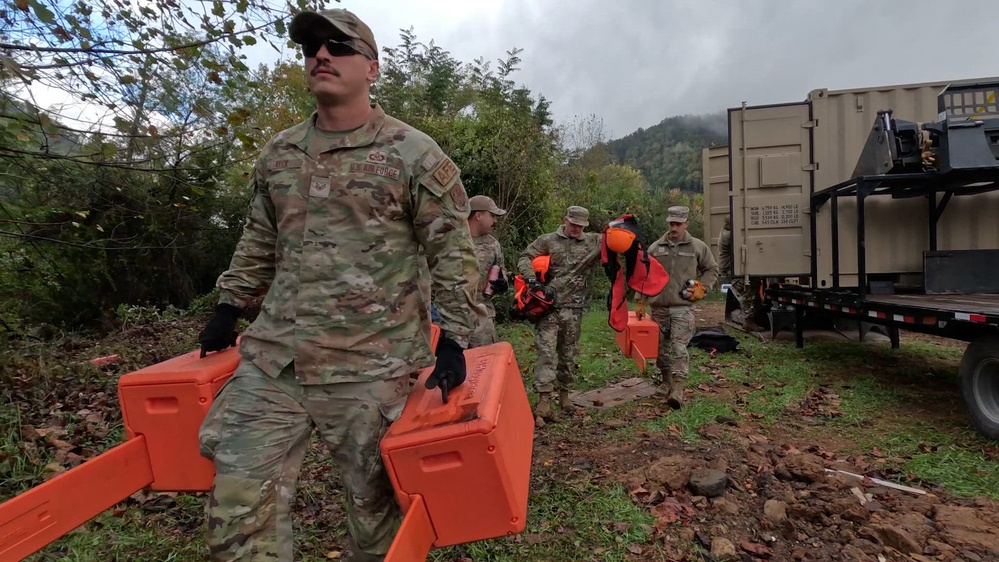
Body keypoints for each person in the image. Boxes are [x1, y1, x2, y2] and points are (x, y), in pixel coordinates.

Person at [194, 9, 484, 561]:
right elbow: (260, 237)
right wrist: (231, 305)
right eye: (311, 48)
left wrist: (454, 338)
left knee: (378, 519)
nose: (321, 55)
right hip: (275, 361)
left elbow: (452, 250)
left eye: (338, 46)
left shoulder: (413, 154)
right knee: (236, 507)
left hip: (371, 369)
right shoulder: (280, 153)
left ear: (372, 68)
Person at [517, 205, 602, 421]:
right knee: (546, 353)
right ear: (565, 219)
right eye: (573, 224)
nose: (576, 229)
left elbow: (619, 240)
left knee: (568, 354)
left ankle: (565, 396)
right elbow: (525, 257)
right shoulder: (547, 240)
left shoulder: (594, 242)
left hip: (574, 309)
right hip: (548, 308)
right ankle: (544, 401)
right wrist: (531, 279)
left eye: (581, 226)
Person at [642, 205, 719, 409]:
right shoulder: (655, 248)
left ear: (686, 223)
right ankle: (666, 380)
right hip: (658, 307)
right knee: (661, 348)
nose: (674, 227)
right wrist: (640, 299)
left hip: (682, 307)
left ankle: (678, 387)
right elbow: (643, 274)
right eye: (671, 223)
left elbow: (711, 268)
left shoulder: (697, 247)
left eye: (678, 224)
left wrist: (703, 286)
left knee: (678, 346)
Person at [468, 194, 509, 347]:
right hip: (451, 316)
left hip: (482, 316)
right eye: (492, 215)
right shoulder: (453, 240)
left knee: (483, 364)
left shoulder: (493, 245)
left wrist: (502, 283)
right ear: (478, 215)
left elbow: (501, 269)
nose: (495, 221)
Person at [718, 215, 763, 331]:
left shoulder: (725, 231)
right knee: (747, 293)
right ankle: (749, 322)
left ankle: (753, 318)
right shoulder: (728, 236)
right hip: (731, 270)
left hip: (731, 269)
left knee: (752, 289)